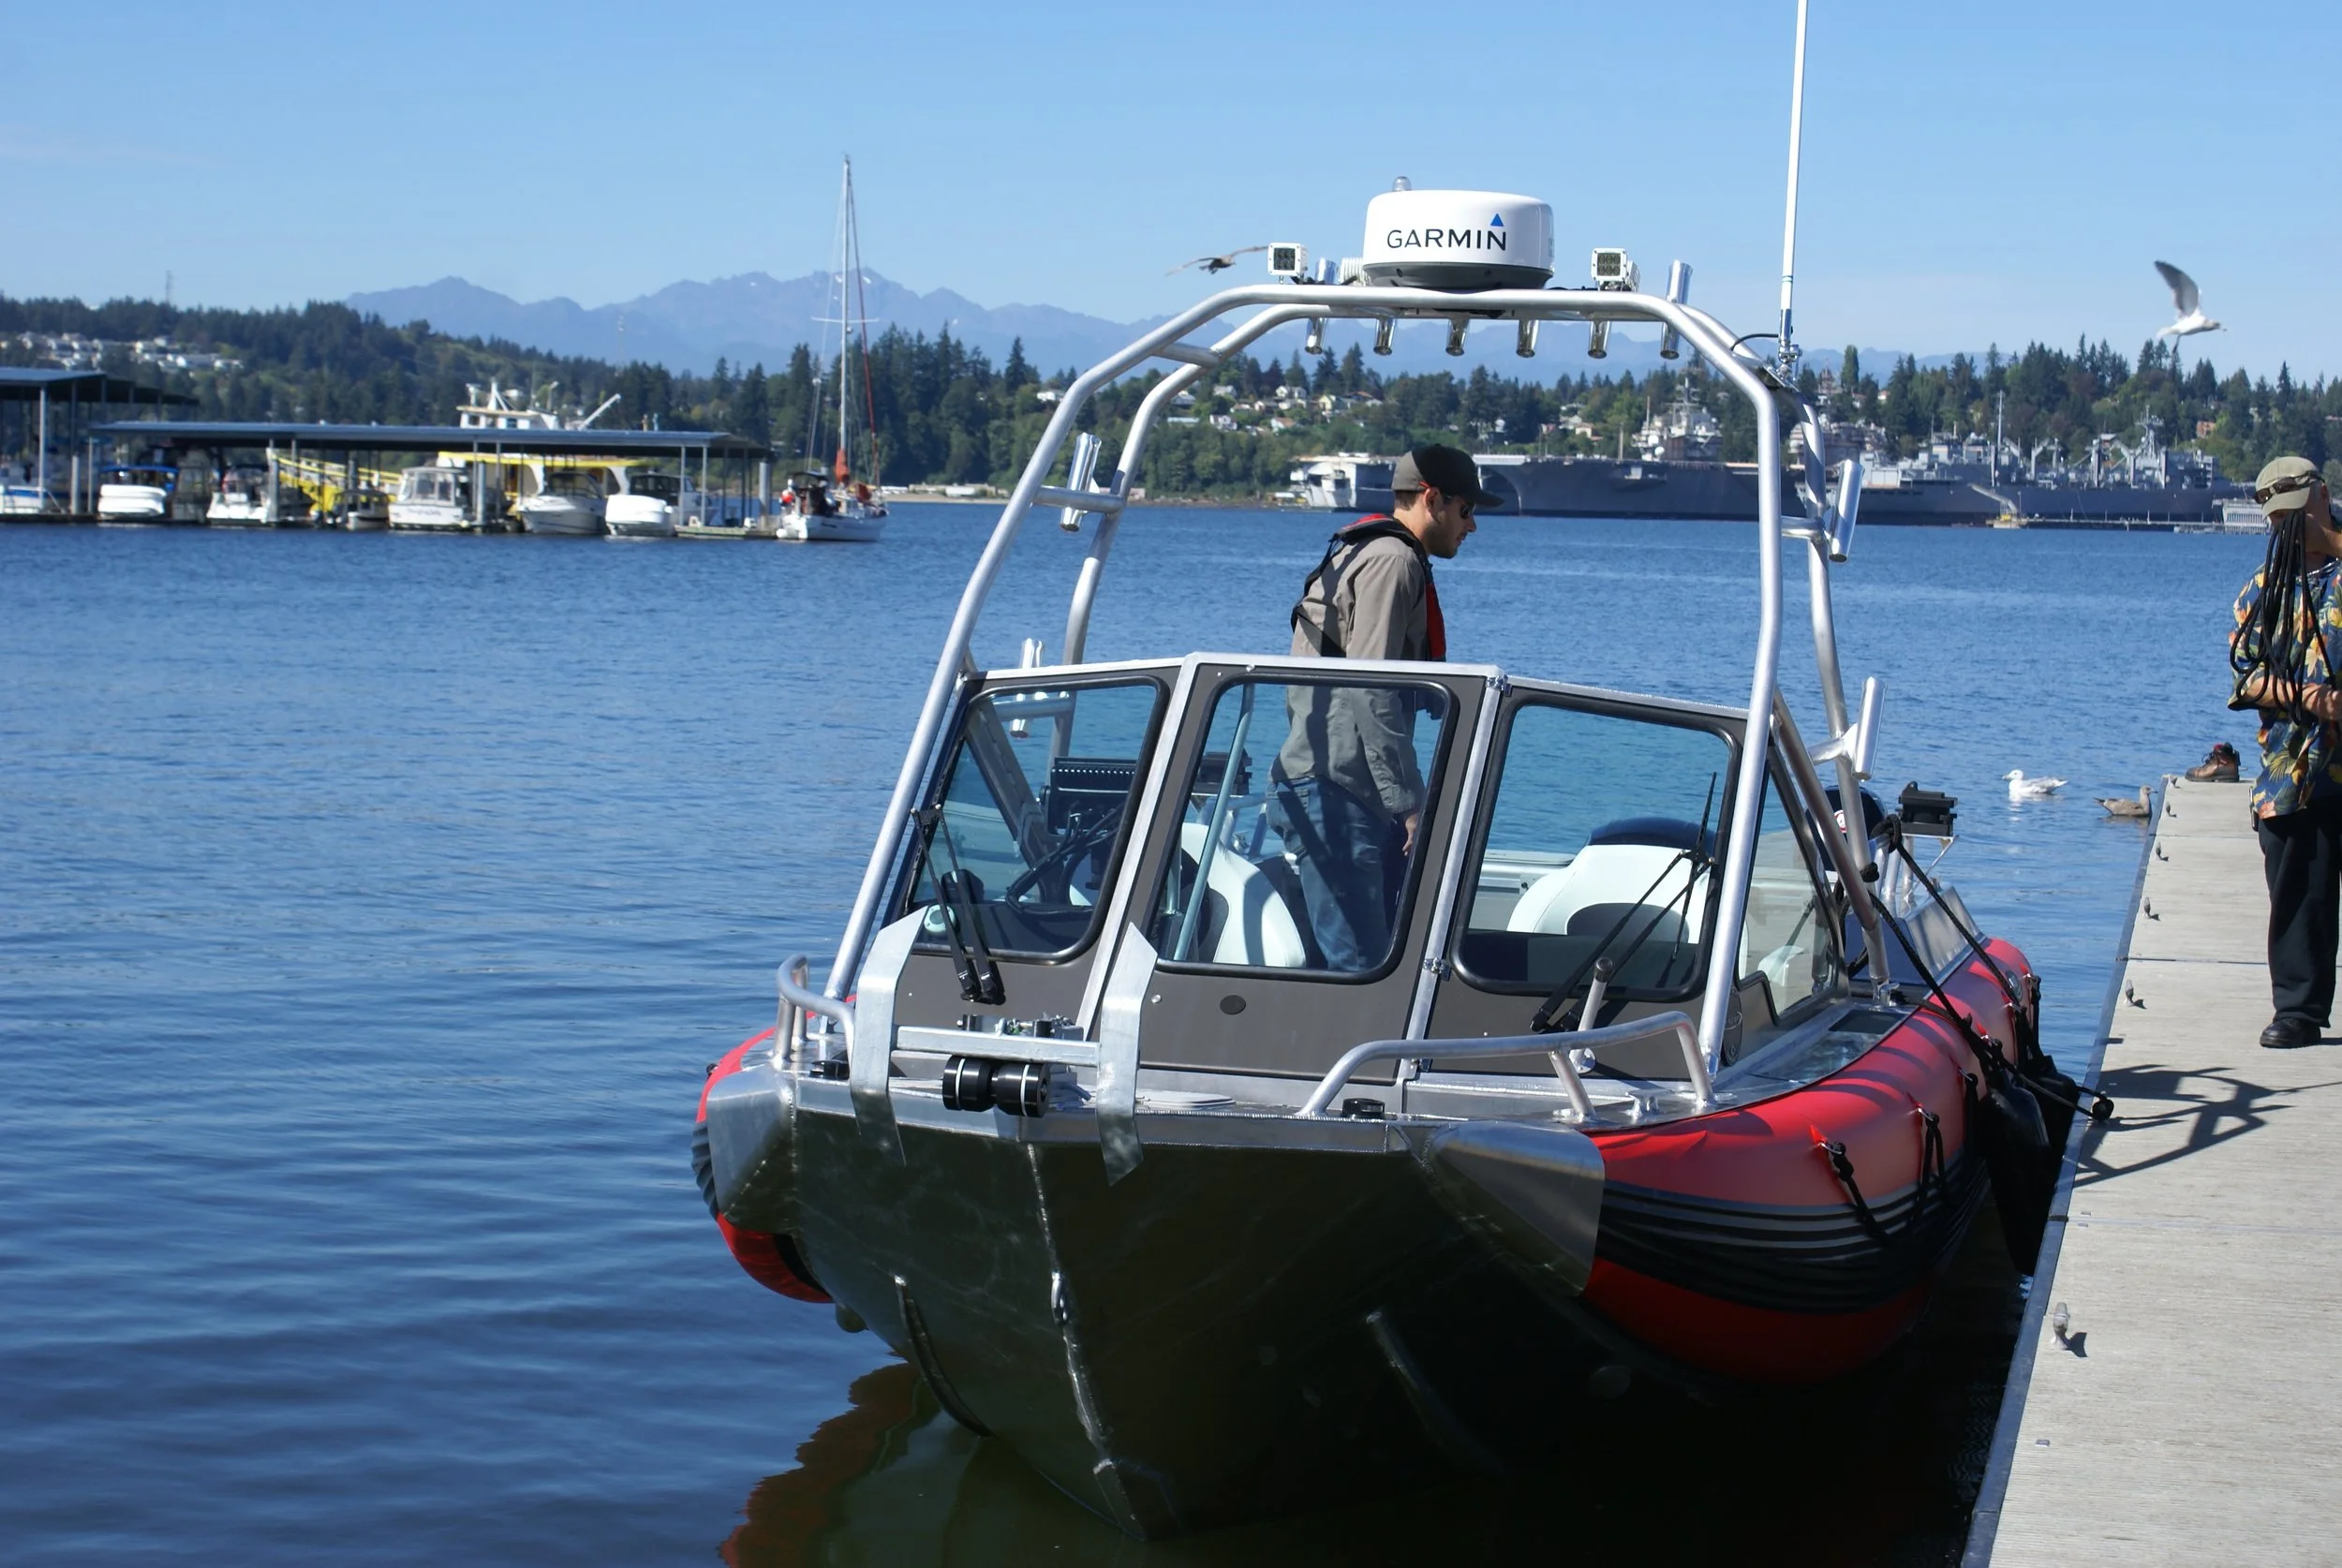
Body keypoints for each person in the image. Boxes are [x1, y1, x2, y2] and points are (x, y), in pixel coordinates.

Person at [1273, 444, 1495, 969]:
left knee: (1372, 959)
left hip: (1341, 788)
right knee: (1363, 970)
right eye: (1467, 511)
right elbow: (1370, 685)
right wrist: (1409, 803)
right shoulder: (1392, 562)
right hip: (1335, 792)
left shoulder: (1371, 552)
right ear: (1432, 499)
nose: (1472, 527)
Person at [2229, 455, 2342, 1048]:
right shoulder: (2263, 587)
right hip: (2293, 768)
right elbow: (2244, 680)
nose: (2288, 529)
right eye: (2279, 520)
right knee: (2299, 888)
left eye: (2297, 515)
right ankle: (2299, 1010)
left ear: (2323, 496)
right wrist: (2310, 698)